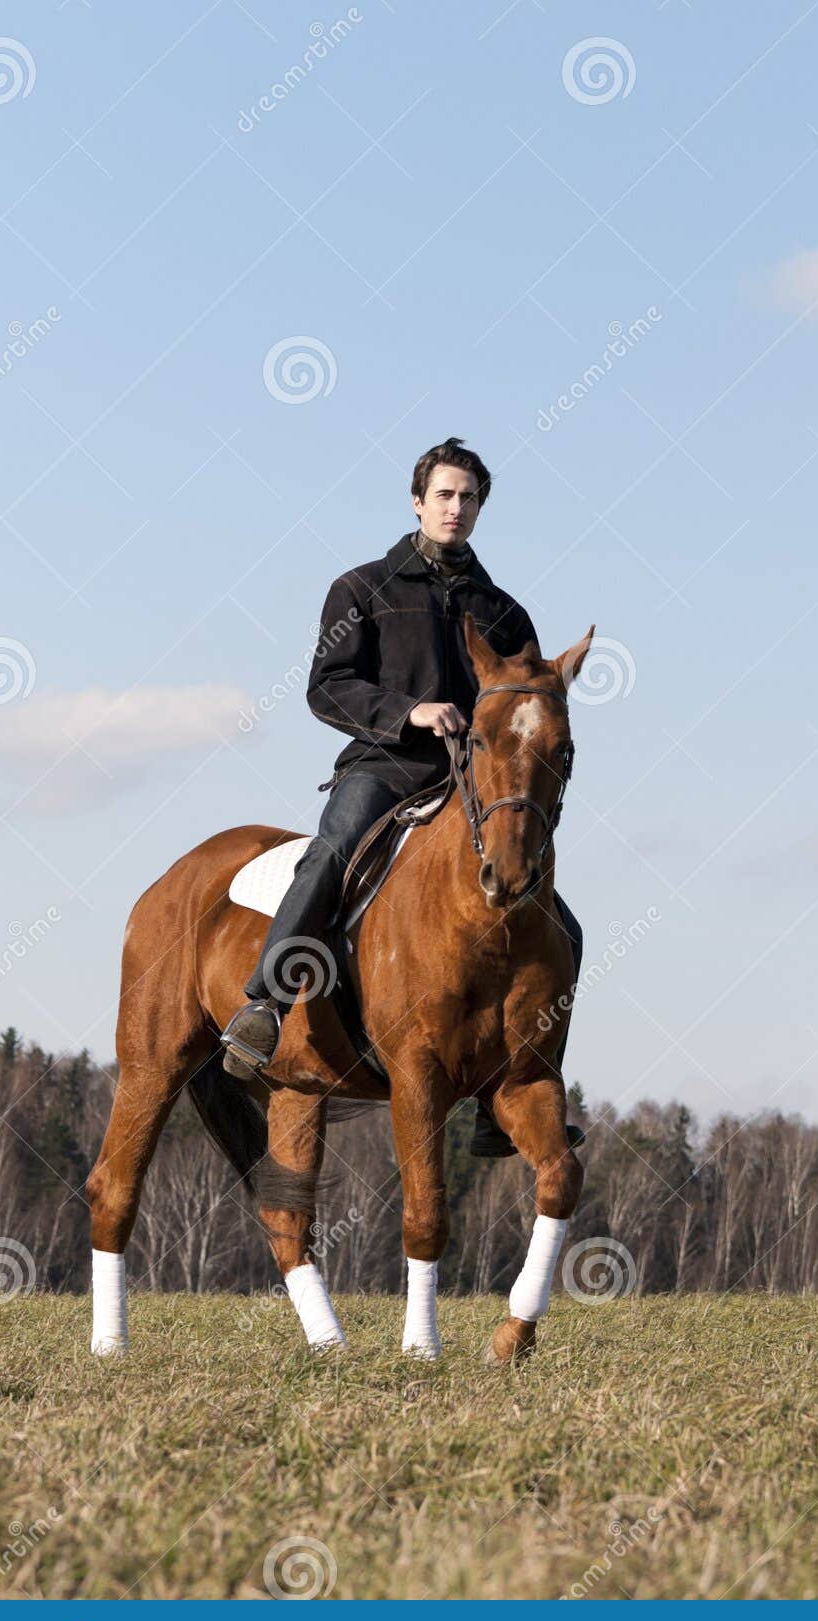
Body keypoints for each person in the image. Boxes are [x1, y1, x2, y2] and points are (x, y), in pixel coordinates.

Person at [220, 436, 584, 1158]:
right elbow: (327, 687)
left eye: (469, 498)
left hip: (474, 786)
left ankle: (515, 1085)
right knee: (330, 854)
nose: (456, 508)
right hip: (383, 766)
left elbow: (523, 706)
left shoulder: (506, 613)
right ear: (418, 501)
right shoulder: (361, 590)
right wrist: (409, 712)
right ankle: (263, 1004)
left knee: (561, 923)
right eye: (444, 495)